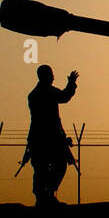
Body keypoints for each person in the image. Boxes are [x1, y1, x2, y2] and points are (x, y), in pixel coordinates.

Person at [24, 65, 79, 206]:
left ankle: (44, 196)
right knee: (57, 165)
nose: (53, 77)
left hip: (38, 137)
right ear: (46, 76)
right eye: (51, 75)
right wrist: (71, 83)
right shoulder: (47, 92)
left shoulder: (33, 94)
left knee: (42, 168)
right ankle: (45, 195)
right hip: (49, 138)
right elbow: (65, 96)